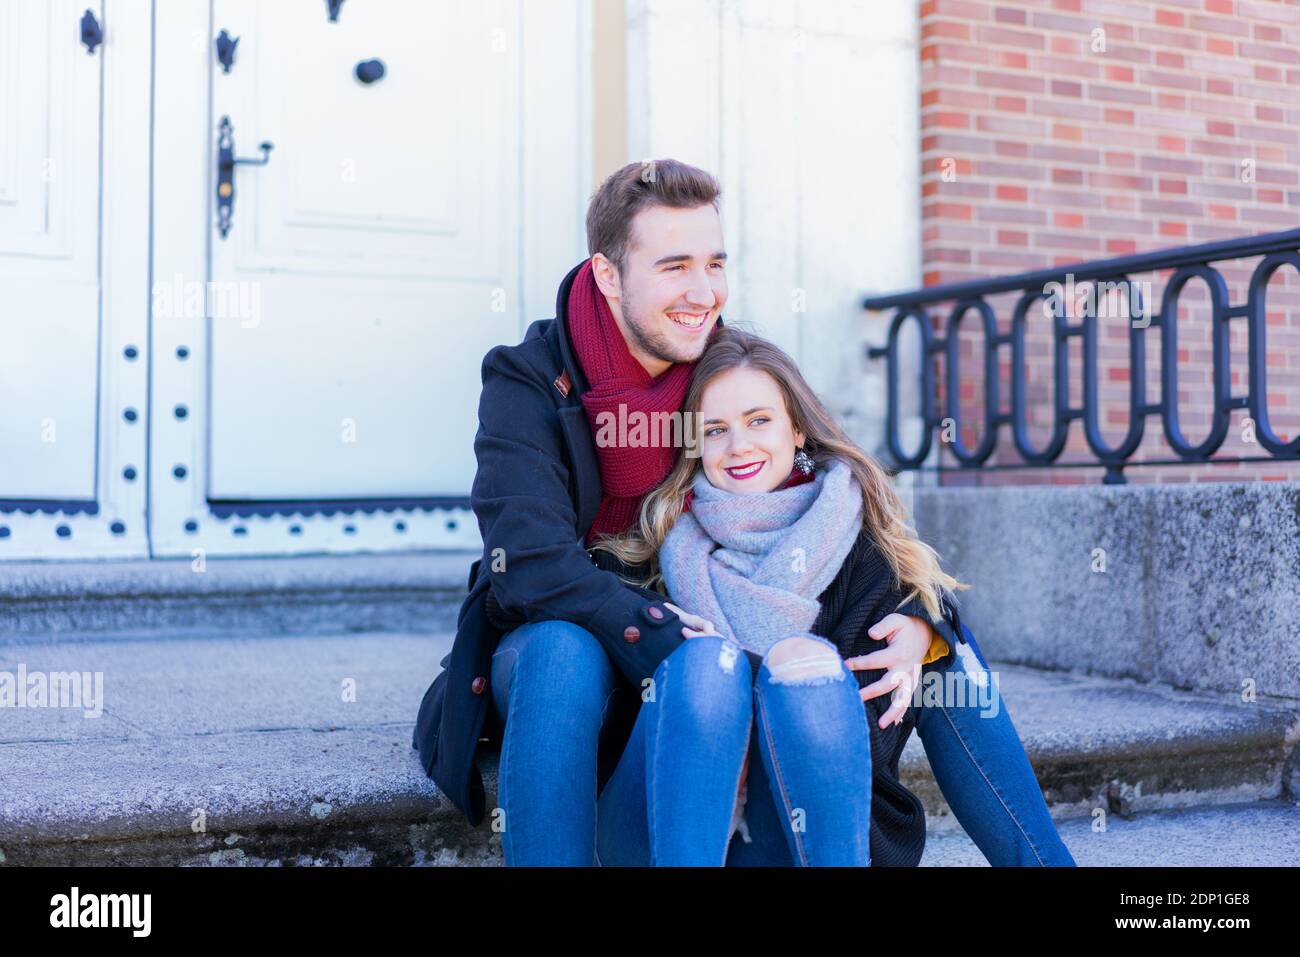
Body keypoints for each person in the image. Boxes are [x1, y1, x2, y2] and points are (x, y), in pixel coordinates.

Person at [591, 326, 1078, 867]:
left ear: (797, 428)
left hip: (806, 828)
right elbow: (528, 604)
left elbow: (854, 749)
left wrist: (924, 628)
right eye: (715, 430)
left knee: (943, 648)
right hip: (677, 825)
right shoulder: (655, 550)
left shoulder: (857, 550)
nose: (739, 446)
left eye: (759, 421)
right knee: (710, 668)